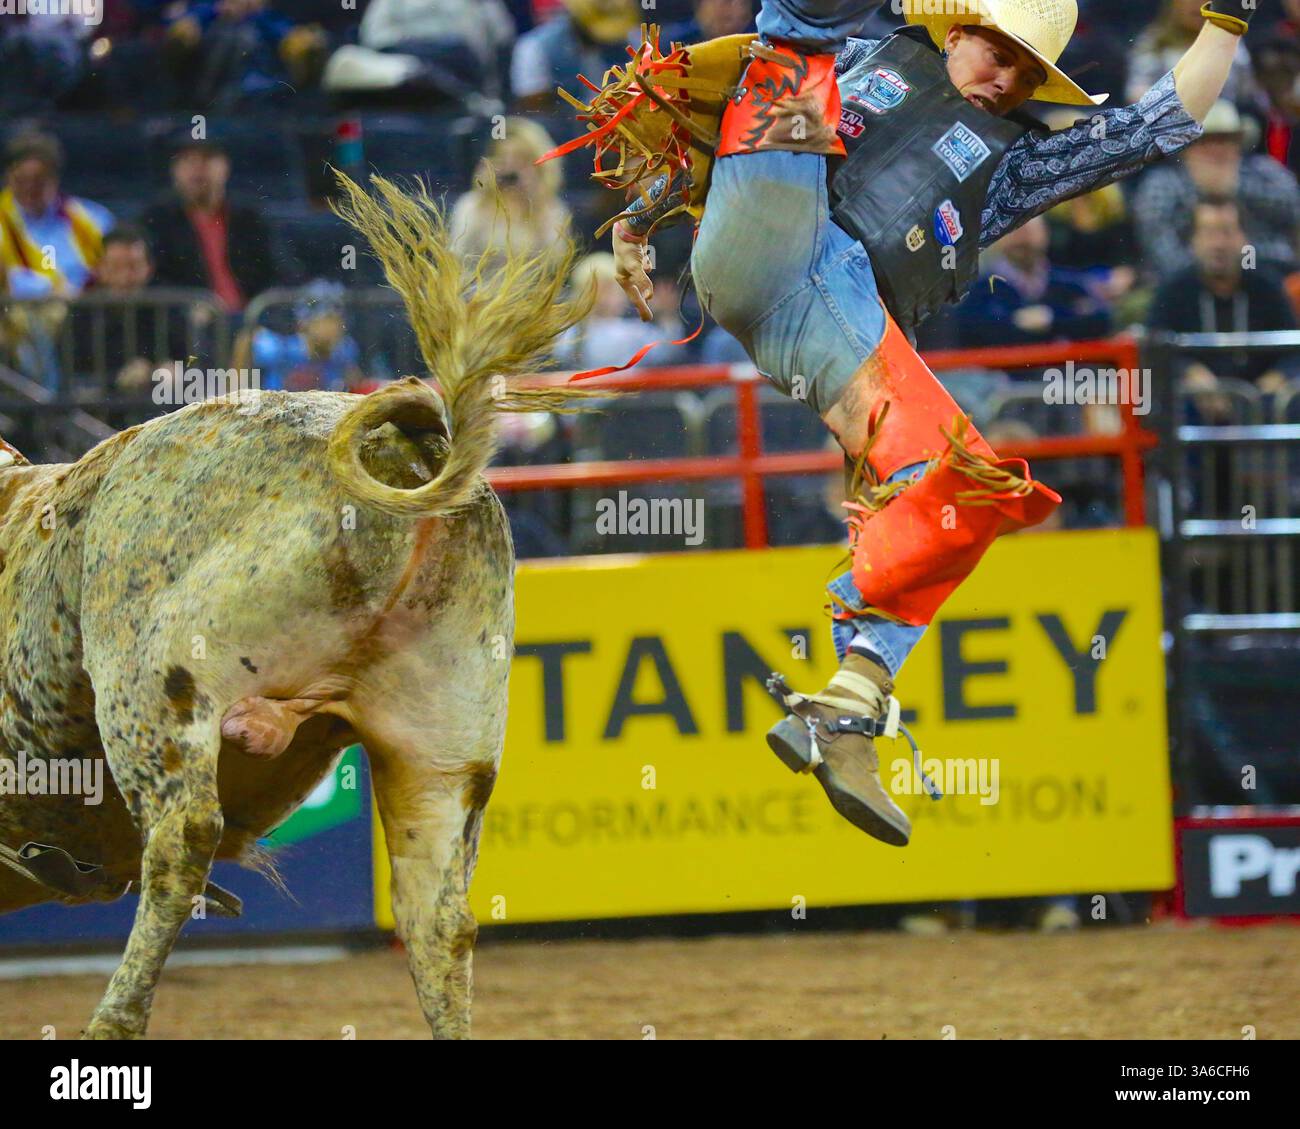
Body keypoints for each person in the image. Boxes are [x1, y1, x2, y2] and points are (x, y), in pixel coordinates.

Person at [557, 0, 1259, 845]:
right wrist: (642, 214)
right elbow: (750, 124)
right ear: (955, 31)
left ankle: (849, 710)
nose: (1008, 80)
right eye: (1000, 54)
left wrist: (1227, 19)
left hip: (828, 312)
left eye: (1028, 73)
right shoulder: (867, 55)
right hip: (784, 233)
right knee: (796, 50)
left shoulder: (1018, 162)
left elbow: (1163, 122)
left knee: (956, 486)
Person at [1148, 195, 1299, 401]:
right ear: (1193, 241)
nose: (1218, 244)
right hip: (1193, 407)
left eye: (1227, 232)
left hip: (1261, 406)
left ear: (1245, 239)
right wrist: (1189, 371)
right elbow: (1154, 347)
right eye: (1209, 233)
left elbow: (1293, 349)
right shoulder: (1173, 290)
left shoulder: (1266, 286)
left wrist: (1276, 378)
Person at [1132, 99, 1300, 279]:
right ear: (1185, 148)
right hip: (1189, 282)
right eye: (1205, 141)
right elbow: (1161, 249)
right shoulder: (1162, 184)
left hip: (1273, 273)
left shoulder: (1265, 172)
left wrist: (1236, 187)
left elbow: (1294, 210)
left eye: (1226, 140)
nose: (1217, 150)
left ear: (1238, 144)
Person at [138, 135, 290, 315]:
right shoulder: (156, 219)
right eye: (187, 160)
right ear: (174, 170)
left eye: (207, 158)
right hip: (187, 327)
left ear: (226, 166)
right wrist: (186, 306)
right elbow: (151, 279)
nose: (197, 168)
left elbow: (281, 271)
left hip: (251, 321)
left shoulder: (250, 216)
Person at [954, 215, 1112, 347]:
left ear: (1046, 235)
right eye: (1014, 231)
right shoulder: (981, 288)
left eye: (1029, 231)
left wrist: (1051, 318)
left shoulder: (1068, 282)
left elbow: (1101, 319)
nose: (1021, 239)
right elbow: (975, 329)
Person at [0, 131, 113, 299]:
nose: (29, 187)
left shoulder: (96, 220)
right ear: (8, 178)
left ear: (55, 178)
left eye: (38, 180)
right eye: (21, 180)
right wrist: (47, 289)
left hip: (82, 318)